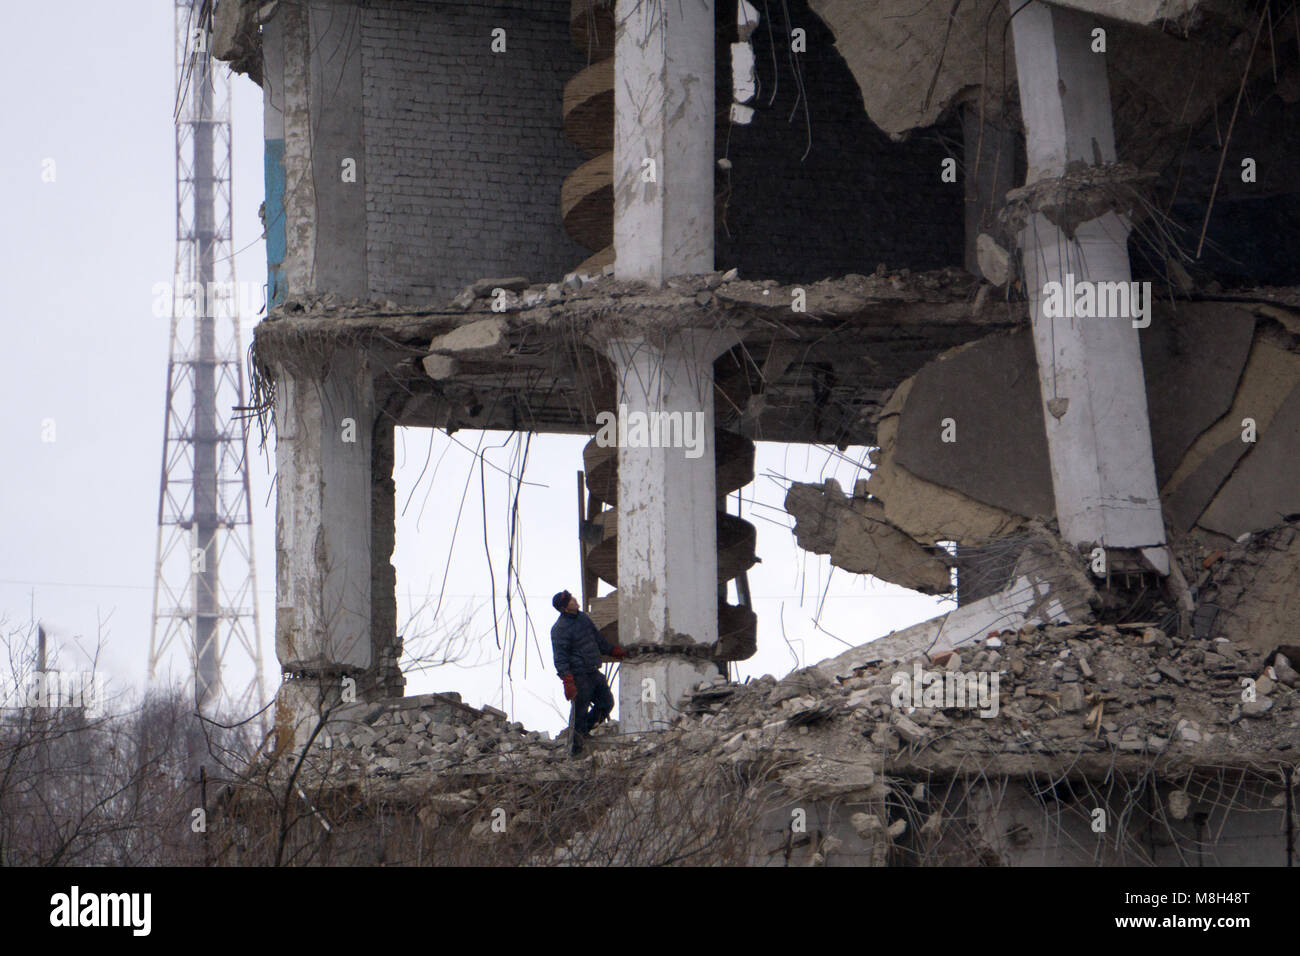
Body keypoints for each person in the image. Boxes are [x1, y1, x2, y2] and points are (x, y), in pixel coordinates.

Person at [550, 589, 625, 754]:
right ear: (564, 608)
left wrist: (613, 651)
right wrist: (568, 681)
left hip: (592, 671)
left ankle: (583, 733)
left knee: (606, 703)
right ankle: (575, 750)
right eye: (570, 600)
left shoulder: (583, 618)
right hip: (578, 675)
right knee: (579, 712)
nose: (574, 600)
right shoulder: (559, 629)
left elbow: (597, 640)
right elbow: (560, 658)